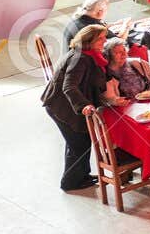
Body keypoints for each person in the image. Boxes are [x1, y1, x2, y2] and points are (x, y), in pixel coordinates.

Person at [42, 24, 110, 190]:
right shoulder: (80, 59)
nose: (104, 41)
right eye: (100, 38)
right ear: (89, 40)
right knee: (79, 143)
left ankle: (81, 176)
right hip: (62, 106)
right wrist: (85, 105)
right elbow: (69, 87)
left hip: (66, 104)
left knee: (77, 142)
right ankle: (70, 182)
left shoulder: (87, 54)